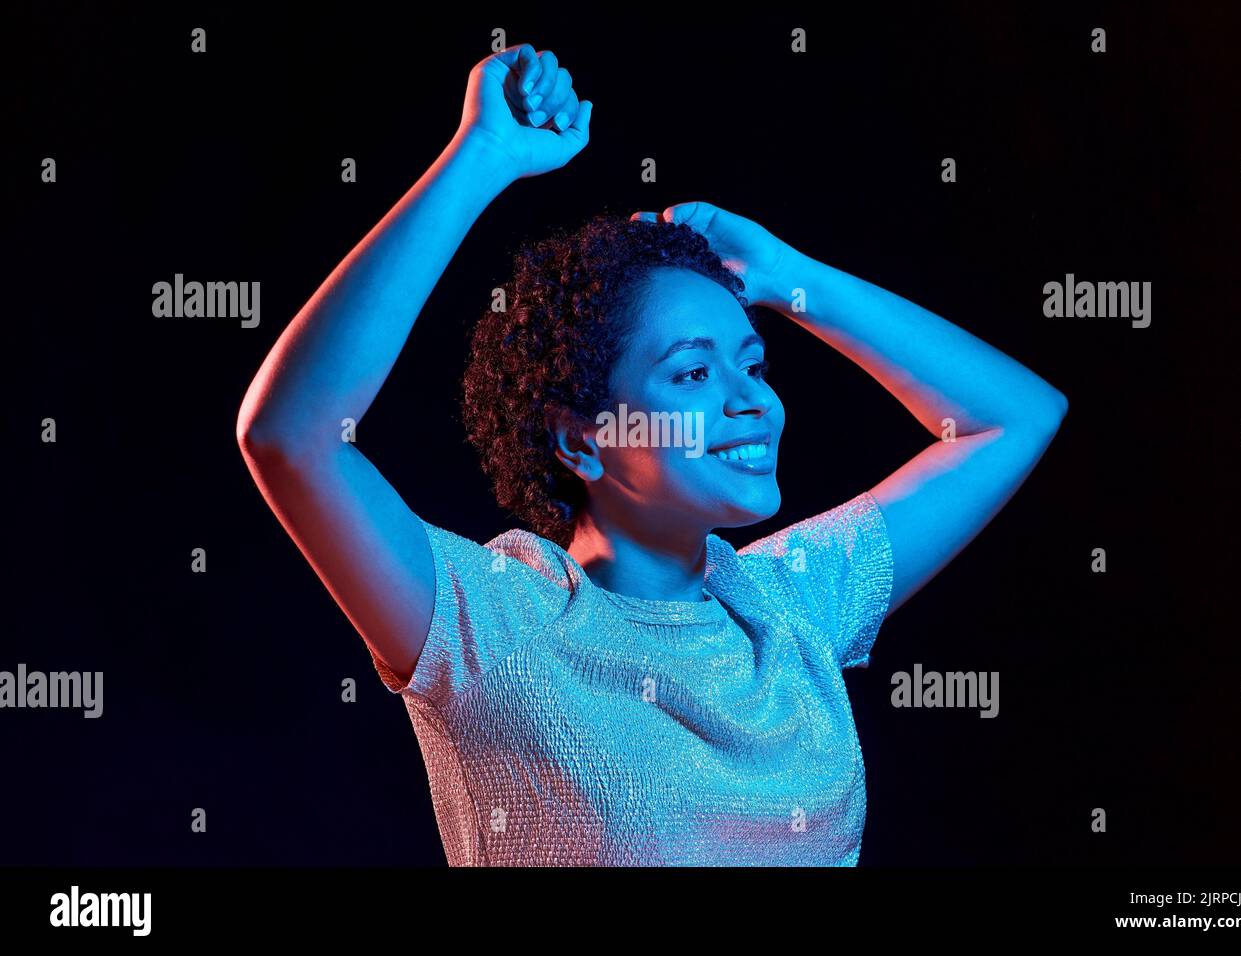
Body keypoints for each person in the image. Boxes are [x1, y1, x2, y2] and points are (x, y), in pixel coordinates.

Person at [236, 42, 1067, 866]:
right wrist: (479, 158)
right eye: (694, 371)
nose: (752, 399)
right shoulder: (494, 624)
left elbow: (1014, 418)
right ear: (580, 440)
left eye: (753, 362)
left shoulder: (790, 603)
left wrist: (785, 276)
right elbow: (293, 436)